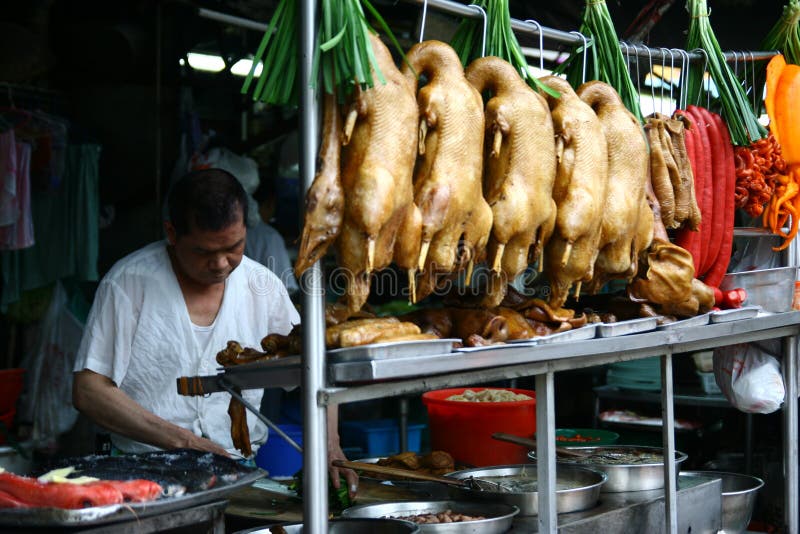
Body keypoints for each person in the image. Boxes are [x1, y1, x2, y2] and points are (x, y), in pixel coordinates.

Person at [72, 168, 356, 495]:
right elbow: (89, 390)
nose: (221, 263)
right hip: (144, 473)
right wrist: (184, 441)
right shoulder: (128, 283)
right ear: (172, 233)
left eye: (233, 247)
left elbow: (314, 368)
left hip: (237, 471)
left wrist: (329, 444)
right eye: (204, 252)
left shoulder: (261, 284)